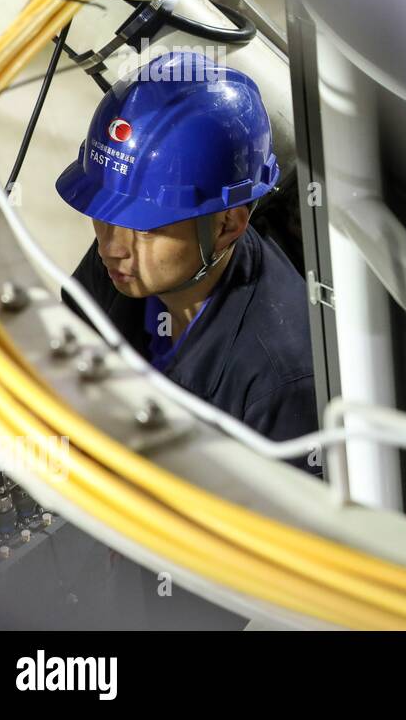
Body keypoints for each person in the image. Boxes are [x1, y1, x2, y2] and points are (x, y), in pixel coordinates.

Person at [55, 50, 320, 476]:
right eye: (103, 216)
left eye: (145, 228)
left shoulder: (280, 382)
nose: (111, 247)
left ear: (227, 225)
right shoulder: (125, 260)